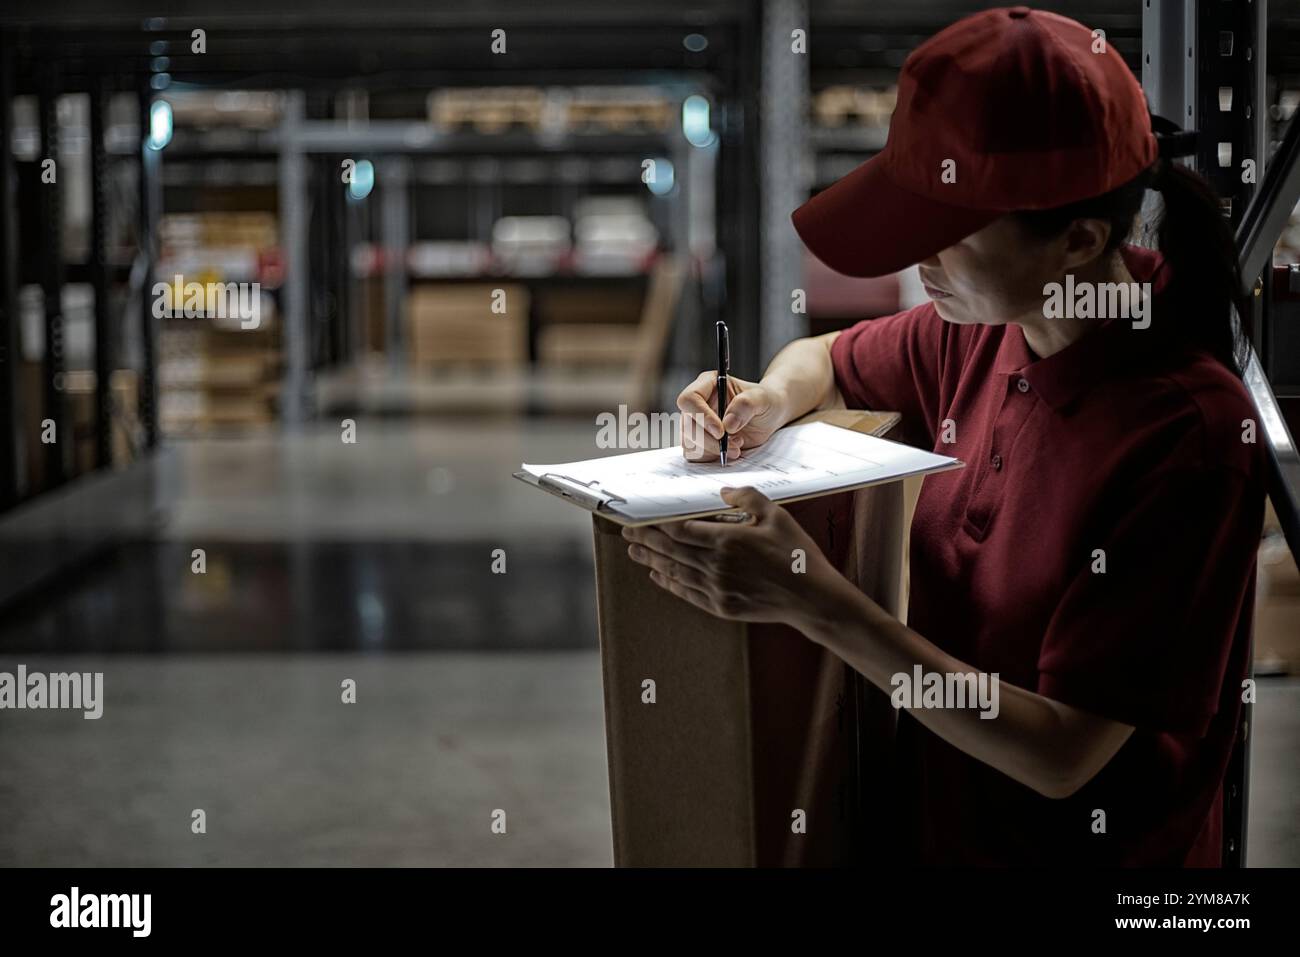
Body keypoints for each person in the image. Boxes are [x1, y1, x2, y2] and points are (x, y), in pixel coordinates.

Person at [620, 6, 1266, 866]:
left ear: (1078, 240)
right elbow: (827, 359)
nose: (915, 261)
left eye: (946, 232)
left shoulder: (1187, 439)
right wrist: (765, 398)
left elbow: (1064, 751)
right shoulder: (986, 327)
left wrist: (812, 598)